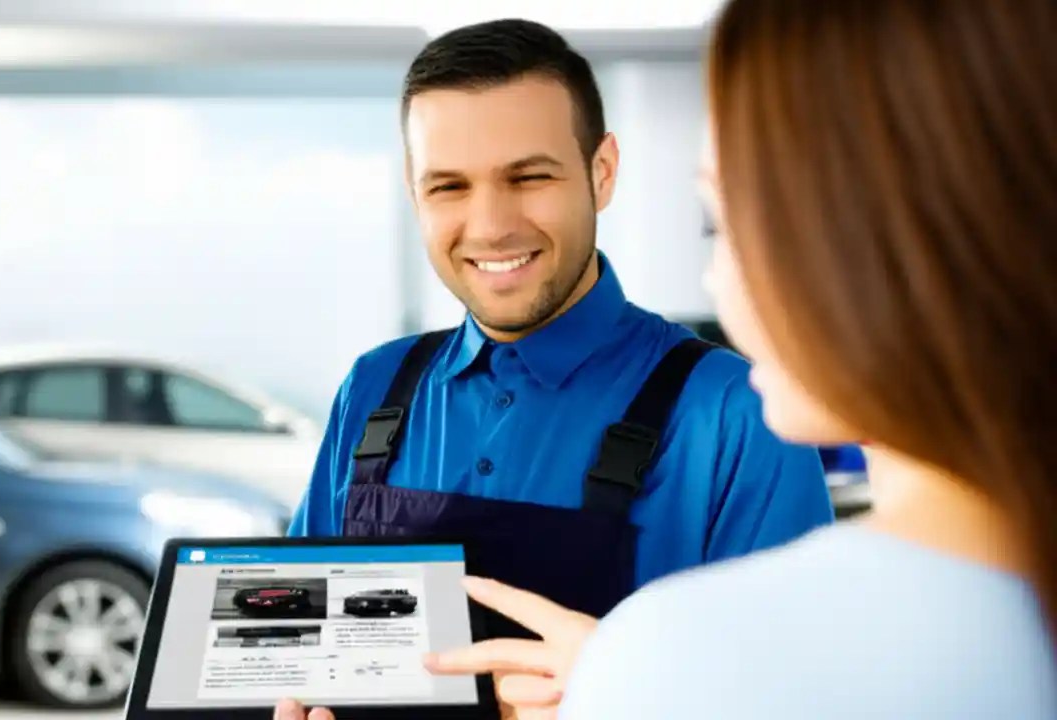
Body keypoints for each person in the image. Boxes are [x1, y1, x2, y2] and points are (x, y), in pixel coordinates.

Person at [398, 1, 1053, 718]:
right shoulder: (377, 387)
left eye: (734, 218)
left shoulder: (728, 428)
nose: (716, 280)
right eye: (447, 184)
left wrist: (640, 684)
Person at [286, 18, 831, 648]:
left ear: (601, 172)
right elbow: (310, 650)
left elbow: (792, 686)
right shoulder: (374, 387)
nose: (490, 226)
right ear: (416, 194)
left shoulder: (734, 411)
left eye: (529, 177)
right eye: (449, 186)